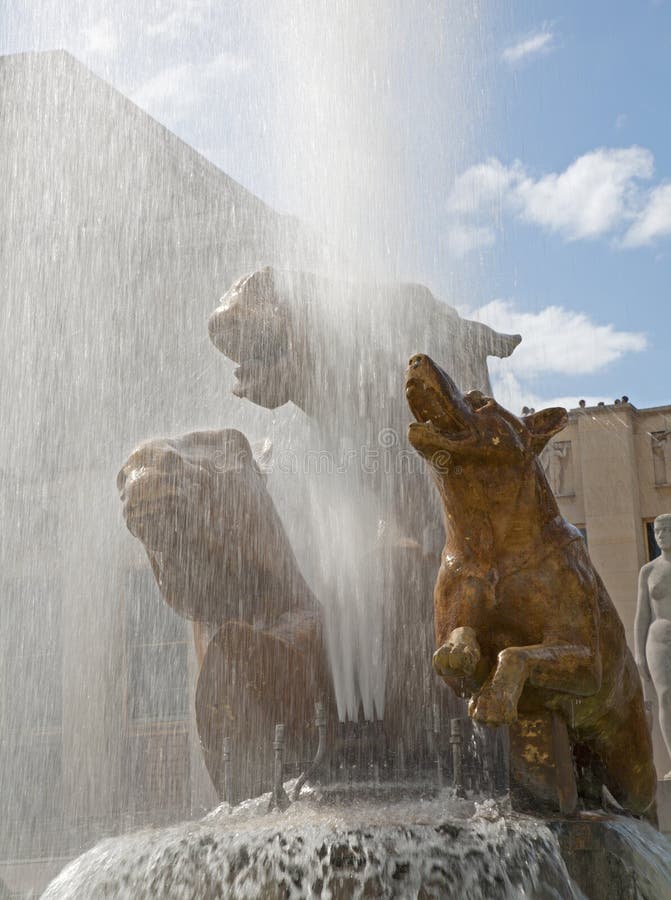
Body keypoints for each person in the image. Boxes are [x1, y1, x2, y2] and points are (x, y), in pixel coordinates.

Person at [635, 513, 671, 779]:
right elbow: (642, 614)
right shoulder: (648, 570)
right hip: (658, 636)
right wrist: (638, 653)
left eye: (666, 530)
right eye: (657, 531)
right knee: (666, 698)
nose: (660, 535)